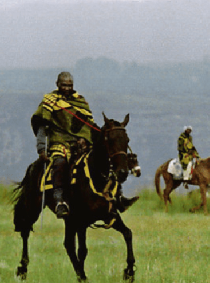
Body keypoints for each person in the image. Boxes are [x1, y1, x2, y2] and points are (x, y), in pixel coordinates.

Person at [31, 72, 134, 218]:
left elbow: (88, 125)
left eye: (70, 85)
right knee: (60, 163)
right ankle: (60, 200)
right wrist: (42, 149)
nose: (67, 88)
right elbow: (42, 126)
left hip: (81, 142)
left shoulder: (80, 101)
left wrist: (91, 138)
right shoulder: (49, 101)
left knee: (102, 160)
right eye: (64, 85)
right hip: (59, 142)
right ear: (57, 84)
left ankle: (117, 195)